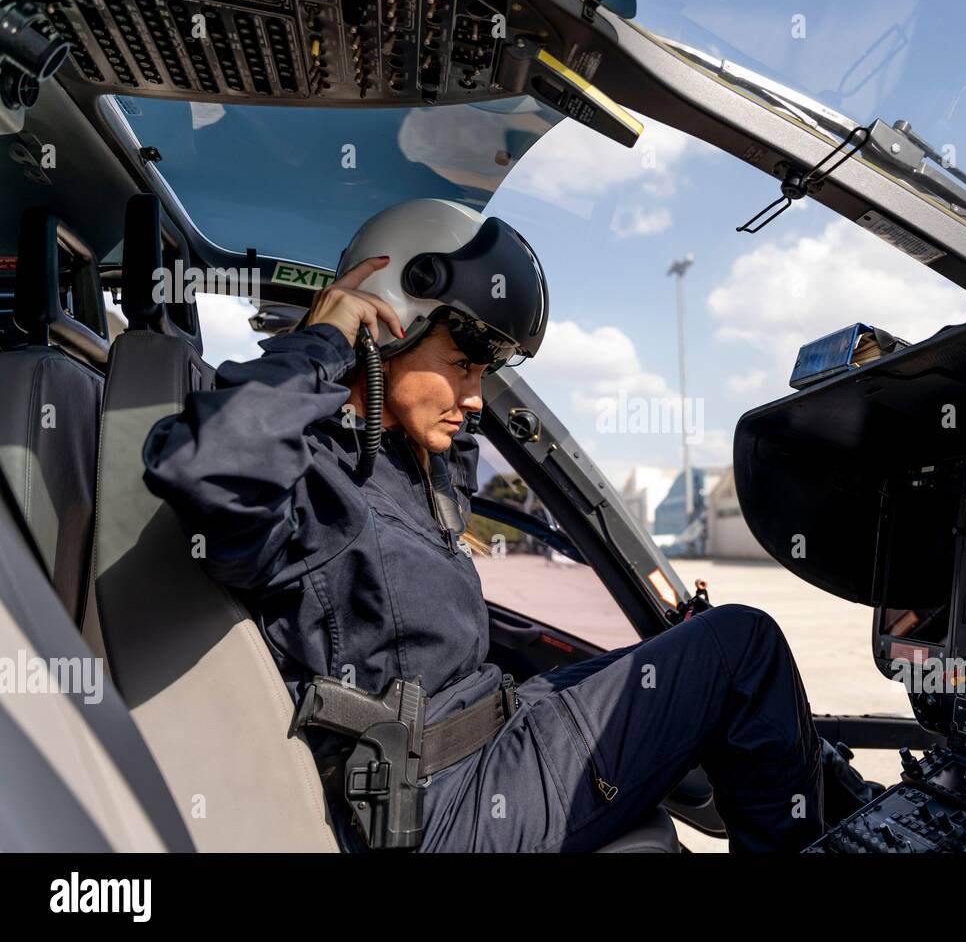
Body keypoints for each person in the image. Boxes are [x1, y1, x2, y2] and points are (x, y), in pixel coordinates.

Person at [142, 198, 825, 852]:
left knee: (690, 654)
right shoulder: (305, 487)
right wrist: (325, 341)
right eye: (464, 367)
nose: (475, 399)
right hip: (441, 804)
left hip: (489, 737)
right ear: (384, 332)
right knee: (743, 646)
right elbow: (207, 468)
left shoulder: (402, 466)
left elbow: (449, 435)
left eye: (485, 371)